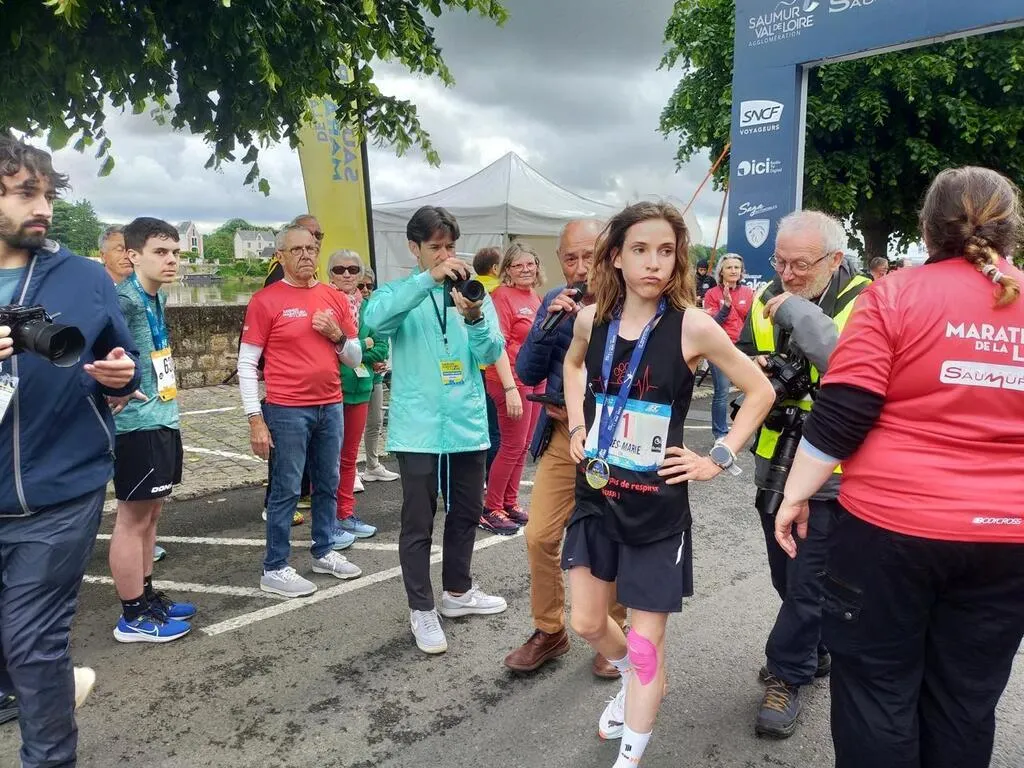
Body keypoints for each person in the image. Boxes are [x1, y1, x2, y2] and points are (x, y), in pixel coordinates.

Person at [775, 167, 1024, 768]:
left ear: (928, 229)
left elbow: (841, 417)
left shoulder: (895, 295)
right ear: (1010, 232)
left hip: (890, 530)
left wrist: (793, 497)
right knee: (967, 700)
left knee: (876, 690)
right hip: (1008, 540)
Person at [562, 202, 774, 767]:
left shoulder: (693, 325)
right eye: (640, 250)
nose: (654, 263)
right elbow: (574, 365)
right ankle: (635, 676)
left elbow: (760, 391)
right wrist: (579, 421)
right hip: (596, 497)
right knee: (585, 622)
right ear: (616, 257)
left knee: (645, 643)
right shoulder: (592, 320)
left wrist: (720, 456)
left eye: (666, 251)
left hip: (656, 511)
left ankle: (630, 754)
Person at [0, 135, 138, 767]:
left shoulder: (84, 277)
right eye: (26, 193)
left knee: (32, 644)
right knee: (23, 655)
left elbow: (125, 360)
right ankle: (52, 688)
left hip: (61, 491)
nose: (45, 208)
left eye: (48, 194)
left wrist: (122, 374)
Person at [735, 210, 872, 738]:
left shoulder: (866, 297)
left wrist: (796, 311)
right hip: (775, 455)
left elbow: (846, 364)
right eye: (780, 261)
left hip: (833, 465)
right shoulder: (766, 296)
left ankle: (788, 674)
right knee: (784, 571)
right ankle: (815, 650)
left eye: (799, 264)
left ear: (835, 259)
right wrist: (758, 371)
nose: (786, 274)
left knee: (808, 573)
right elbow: (746, 359)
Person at [363, 205, 507, 655]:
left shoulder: (472, 292)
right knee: (418, 519)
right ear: (415, 248)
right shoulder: (401, 291)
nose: (446, 255)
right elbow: (374, 321)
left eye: (450, 246)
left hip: (465, 420)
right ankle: (421, 607)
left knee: (467, 510)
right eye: (435, 248)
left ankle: (458, 593)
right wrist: (428, 280)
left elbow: (490, 351)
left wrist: (474, 317)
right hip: (419, 425)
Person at [504, 218, 628, 679]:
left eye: (588, 257)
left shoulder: (631, 303)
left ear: (609, 255)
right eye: (570, 258)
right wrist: (547, 324)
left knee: (610, 538)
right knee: (539, 536)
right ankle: (549, 630)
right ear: (559, 261)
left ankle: (613, 630)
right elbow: (529, 368)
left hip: (614, 444)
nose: (580, 269)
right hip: (561, 441)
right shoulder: (556, 304)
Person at [238, 224, 363, 597]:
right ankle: (274, 567)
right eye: (296, 250)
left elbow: (354, 358)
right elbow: (247, 364)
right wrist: (254, 419)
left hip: (331, 404)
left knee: (327, 482)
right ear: (281, 256)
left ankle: (324, 550)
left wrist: (337, 336)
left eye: (311, 248)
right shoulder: (266, 301)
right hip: (286, 409)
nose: (306, 255)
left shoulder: (334, 297)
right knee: (286, 489)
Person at [109, 217, 196, 642]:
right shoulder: (121, 301)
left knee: (152, 514)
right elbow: (94, 353)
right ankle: (132, 615)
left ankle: (147, 596)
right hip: (135, 426)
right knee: (132, 517)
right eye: (161, 252)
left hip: (162, 416)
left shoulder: (153, 297)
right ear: (133, 255)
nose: (172, 260)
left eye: (176, 252)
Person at [259, 213, 323, 524]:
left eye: (317, 240)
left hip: (320, 392)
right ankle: (274, 503)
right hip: (285, 391)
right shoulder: (277, 279)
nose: (311, 248)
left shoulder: (319, 281)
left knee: (312, 452)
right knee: (284, 455)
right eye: (308, 238)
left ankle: (305, 491)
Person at [480, 243, 544, 535]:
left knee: (523, 447)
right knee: (511, 446)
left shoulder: (535, 297)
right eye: (518, 265)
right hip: (509, 381)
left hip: (533, 378)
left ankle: (509, 500)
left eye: (529, 264)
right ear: (506, 270)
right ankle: (491, 506)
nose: (525, 269)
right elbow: (497, 345)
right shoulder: (501, 297)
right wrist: (510, 388)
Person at [329, 249, 386, 539]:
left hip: (361, 388)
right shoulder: (325, 302)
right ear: (331, 274)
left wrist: (355, 347)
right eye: (340, 269)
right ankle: (328, 520)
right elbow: (328, 349)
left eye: (354, 269)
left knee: (349, 456)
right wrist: (364, 344)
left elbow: (382, 347)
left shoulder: (370, 309)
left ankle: (345, 513)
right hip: (333, 389)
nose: (348, 275)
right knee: (327, 457)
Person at [702, 253, 754, 440]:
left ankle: (743, 429)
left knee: (753, 390)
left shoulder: (749, 293)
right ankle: (720, 434)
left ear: (741, 272)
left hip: (743, 347)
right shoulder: (712, 294)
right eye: (729, 267)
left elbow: (751, 322)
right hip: (719, 348)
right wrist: (726, 306)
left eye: (737, 268)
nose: (733, 271)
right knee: (722, 392)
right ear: (721, 272)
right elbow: (712, 324)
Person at [358, 267, 398, 483]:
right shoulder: (349, 307)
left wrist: (367, 353)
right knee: (351, 427)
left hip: (374, 377)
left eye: (369, 286)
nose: (365, 290)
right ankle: (350, 470)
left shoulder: (376, 308)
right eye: (360, 286)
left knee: (374, 422)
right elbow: (345, 348)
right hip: (354, 378)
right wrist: (367, 354)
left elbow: (383, 347)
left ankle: (372, 465)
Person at [473, 246, 503, 472]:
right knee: (496, 429)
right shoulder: (500, 291)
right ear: (495, 268)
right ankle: (490, 479)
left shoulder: (469, 288)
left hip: (473, 367)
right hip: (495, 367)